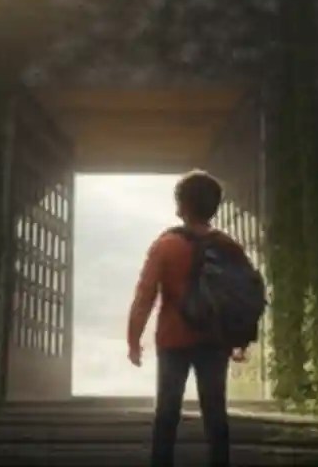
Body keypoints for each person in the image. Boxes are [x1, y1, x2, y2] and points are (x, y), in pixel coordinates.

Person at [127, 169, 249, 467]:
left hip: (173, 338)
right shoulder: (229, 246)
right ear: (214, 206)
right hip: (214, 339)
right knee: (215, 411)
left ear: (181, 205)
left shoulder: (166, 245)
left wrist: (134, 340)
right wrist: (241, 337)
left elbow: (145, 296)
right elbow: (243, 294)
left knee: (167, 413)